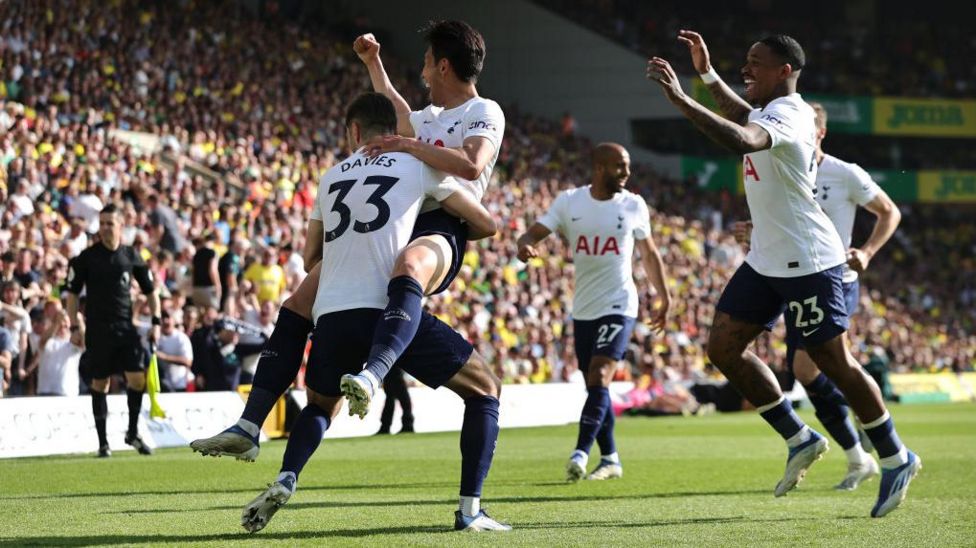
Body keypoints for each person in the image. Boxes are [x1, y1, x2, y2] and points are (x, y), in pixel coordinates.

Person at [192, 20, 505, 457]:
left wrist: (409, 147)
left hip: (444, 224)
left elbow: (471, 165)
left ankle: (375, 372)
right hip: (401, 217)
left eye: (427, 63)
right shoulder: (429, 118)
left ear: (444, 66)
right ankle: (249, 424)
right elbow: (394, 111)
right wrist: (372, 62)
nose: (422, 71)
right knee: (300, 300)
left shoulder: (483, 111)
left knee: (410, 266)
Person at [646, 31, 919, 517]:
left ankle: (896, 455)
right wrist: (707, 74)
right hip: (767, 257)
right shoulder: (771, 109)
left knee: (832, 363)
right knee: (723, 348)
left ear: (785, 71)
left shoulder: (791, 115)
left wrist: (681, 98)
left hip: (809, 259)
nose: (746, 69)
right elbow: (741, 116)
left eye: (755, 63)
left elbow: (741, 137)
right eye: (745, 61)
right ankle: (799, 437)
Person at [233, 93, 509, 533]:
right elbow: (486, 223)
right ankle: (470, 510)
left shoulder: (330, 176)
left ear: (355, 132)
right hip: (391, 311)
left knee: (321, 407)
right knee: (485, 389)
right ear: (394, 130)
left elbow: (309, 258)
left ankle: (286, 476)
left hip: (332, 315)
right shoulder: (417, 165)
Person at [732, 102, 903, 491]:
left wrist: (867, 252)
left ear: (818, 132)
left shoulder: (844, 174)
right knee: (806, 369)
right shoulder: (778, 163)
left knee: (812, 367)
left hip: (834, 276)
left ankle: (866, 437)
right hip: (792, 274)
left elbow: (888, 211)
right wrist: (753, 233)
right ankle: (860, 447)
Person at [516, 143, 671, 482]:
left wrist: (663, 295)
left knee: (600, 376)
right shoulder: (570, 201)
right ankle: (611, 458)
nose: (627, 173)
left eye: (627, 165)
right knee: (594, 386)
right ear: (599, 168)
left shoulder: (633, 204)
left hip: (620, 304)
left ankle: (580, 452)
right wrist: (525, 243)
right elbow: (534, 231)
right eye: (619, 166)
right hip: (584, 308)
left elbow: (648, 253)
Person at [65, 203, 161, 458]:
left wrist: (157, 322)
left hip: (125, 328)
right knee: (101, 382)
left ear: (121, 225)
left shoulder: (131, 255)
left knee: (137, 379)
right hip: (97, 328)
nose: (105, 227)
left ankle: (132, 433)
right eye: (102, 222)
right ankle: (103, 442)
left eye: (110, 223)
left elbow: (151, 292)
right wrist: (74, 325)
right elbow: (72, 295)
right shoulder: (86, 257)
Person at [35, 308, 85, 396]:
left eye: (65, 321)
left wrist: (80, 321)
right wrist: (57, 322)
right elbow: (43, 341)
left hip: (67, 392)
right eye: (59, 321)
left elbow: (85, 342)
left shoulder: (73, 342)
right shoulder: (48, 340)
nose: (62, 324)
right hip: (44, 392)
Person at [155, 310, 194, 392]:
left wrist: (164, 357)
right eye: (162, 318)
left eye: (168, 317)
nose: (165, 321)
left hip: (179, 385)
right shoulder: (155, 337)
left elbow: (188, 361)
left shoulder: (181, 338)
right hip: (160, 386)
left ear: (174, 320)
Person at [376, 365, 414, 435]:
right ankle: (386, 426)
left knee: (399, 392)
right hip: (392, 364)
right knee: (392, 395)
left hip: (395, 362)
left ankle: (407, 424)